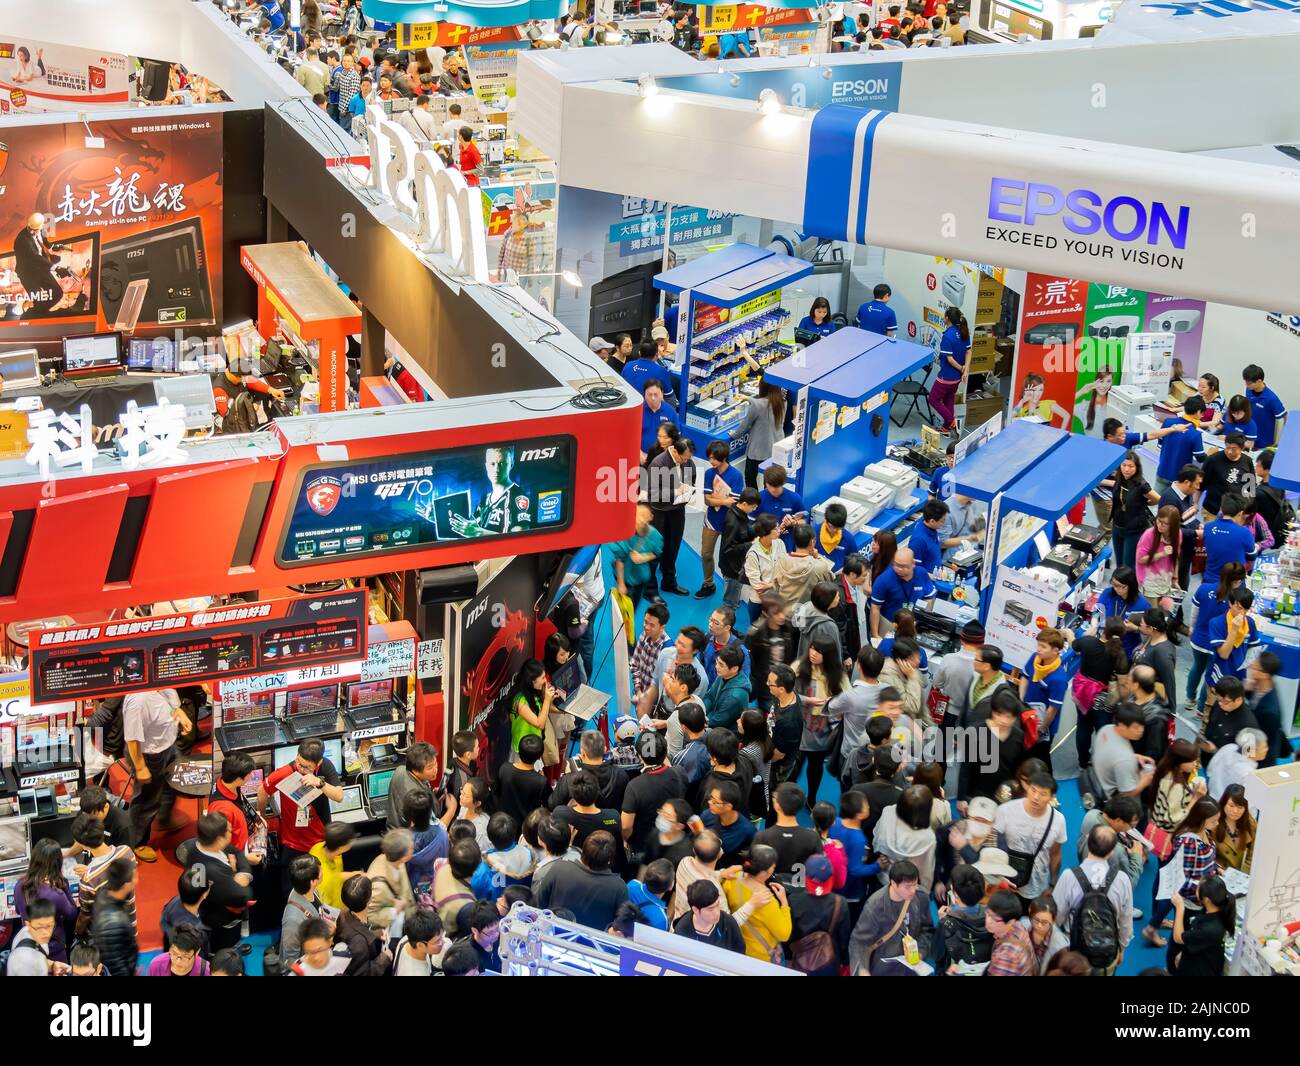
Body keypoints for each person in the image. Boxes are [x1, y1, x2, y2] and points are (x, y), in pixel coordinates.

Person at [260, 737, 344, 895]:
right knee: (290, 892)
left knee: (321, 890)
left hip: (320, 843)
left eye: (306, 767)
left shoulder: (325, 767)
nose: (300, 768)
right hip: (293, 845)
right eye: (298, 762)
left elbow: (339, 796)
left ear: (317, 764)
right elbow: (262, 791)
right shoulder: (286, 771)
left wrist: (320, 783)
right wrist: (263, 815)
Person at [1052, 825, 1133, 973]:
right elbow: (1126, 919)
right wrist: (1121, 947)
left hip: (1075, 949)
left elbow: (1056, 915)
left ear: (1087, 842)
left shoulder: (1069, 876)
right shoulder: (1122, 879)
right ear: (1112, 851)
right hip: (1107, 949)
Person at [123, 687, 190, 862]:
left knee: (172, 786)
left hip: (168, 746)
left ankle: (164, 819)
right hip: (148, 755)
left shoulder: (164, 686)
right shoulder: (137, 701)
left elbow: (171, 706)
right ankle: (137, 841)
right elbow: (132, 738)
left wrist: (180, 715)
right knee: (147, 800)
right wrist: (139, 767)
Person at [534, 830, 629, 931]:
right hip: (591, 945)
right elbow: (619, 927)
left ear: (583, 851)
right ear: (610, 859)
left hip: (553, 935)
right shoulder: (619, 887)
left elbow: (539, 904)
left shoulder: (559, 868)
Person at [849, 860, 931, 975]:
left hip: (911, 967)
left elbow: (928, 929)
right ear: (893, 883)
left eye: (915, 884)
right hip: (883, 969)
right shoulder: (876, 905)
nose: (913, 891)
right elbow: (859, 941)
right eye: (907, 887)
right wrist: (862, 969)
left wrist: (921, 951)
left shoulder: (921, 898)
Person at [995, 771, 1065, 902]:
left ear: (1051, 797)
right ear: (1027, 787)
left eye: (1043, 794)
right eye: (1033, 790)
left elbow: (1055, 854)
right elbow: (993, 844)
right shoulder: (1005, 810)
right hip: (1007, 883)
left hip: (1038, 887)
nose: (1036, 797)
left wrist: (1053, 883)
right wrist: (999, 878)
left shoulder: (1058, 820)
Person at [189, 812, 254, 952]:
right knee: (223, 952)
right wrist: (235, 872)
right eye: (229, 831)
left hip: (210, 910)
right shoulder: (213, 871)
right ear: (219, 839)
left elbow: (236, 852)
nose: (232, 833)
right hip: (219, 920)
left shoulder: (200, 846)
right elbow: (244, 894)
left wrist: (242, 873)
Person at [1187, 562, 1246, 712]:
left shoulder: (1204, 588)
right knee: (1210, 675)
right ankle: (1201, 709)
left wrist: (1192, 629)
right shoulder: (1236, 602)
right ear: (1236, 581)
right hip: (1218, 645)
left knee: (1196, 668)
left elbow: (1194, 613)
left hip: (1199, 639)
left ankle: (1189, 698)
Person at [643, 433, 696, 597]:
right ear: (674, 452)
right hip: (659, 513)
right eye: (684, 458)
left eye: (689, 458)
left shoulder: (688, 462)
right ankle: (649, 589)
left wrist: (688, 492)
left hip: (678, 511)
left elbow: (689, 481)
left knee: (673, 548)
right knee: (654, 550)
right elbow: (652, 494)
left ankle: (669, 582)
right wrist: (675, 492)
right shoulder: (658, 463)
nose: (686, 461)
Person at [722, 844, 792, 963]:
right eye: (773, 867)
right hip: (759, 956)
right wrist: (784, 903)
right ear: (766, 872)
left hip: (737, 946)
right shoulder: (766, 899)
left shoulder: (732, 877)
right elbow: (784, 934)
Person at [621, 732, 685, 860]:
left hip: (644, 847)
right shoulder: (679, 772)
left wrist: (625, 839)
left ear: (639, 756)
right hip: (673, 842)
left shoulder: (635, 786)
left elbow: (626, 826)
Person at [14, 839, 77, 964]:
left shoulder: (19, 886)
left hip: (29, 947)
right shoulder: (56, 894)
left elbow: (17, 910)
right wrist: (64, 886)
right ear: (58, 863)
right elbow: (72, 914)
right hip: (54, 950)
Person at [697, 440, 745, 598]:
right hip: (711, 520)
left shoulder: (736, 476)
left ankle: (730, 591)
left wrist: (716, 499)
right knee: (706, 553)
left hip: (730, 524)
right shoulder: (709, 473)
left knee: (728, 559)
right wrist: (723, 501)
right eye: (709, 457)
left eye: (714, 458)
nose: (711, 462)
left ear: (724, 457)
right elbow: (707, 500)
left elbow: (734, 503)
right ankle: (708, 583)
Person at [958, 694, 1025, 806]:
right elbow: (966, 767)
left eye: (1009, 717)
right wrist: (961, 797)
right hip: (975, 793)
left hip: (1004, 795)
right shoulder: (976, 731)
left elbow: (1017, 768)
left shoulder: (1018, 736)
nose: (1004, 721)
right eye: (1000, 715)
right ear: (993, 712)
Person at [930, 863, 995, 975]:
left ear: (955, 894)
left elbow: (936, 955)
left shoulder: (946, 924)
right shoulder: (993, 917)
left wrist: (941, 921)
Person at [874, 785, 939, 894]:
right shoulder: (927, 837)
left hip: (883, 874)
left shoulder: (888, 811)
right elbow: (925, 871)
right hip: (904, 886)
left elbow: (876, 837)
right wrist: (925, 892)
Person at [754, 782, 824, 877]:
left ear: (777, 805)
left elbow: (754, 870)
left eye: (775, 796)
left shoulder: (762, 837)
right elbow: (820, 870)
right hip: (801, 890)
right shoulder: (813, 838)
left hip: (771, 889)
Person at [549, 730, 629, 812]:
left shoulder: (569, 780)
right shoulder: (621, 775)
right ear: (605, 750)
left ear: (582, 752)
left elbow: (552, 805)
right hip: (611, 823)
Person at [1170, 875, 1234, 977]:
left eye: (1199, 886)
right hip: (1199, 957)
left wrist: (1180, 907)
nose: (1196, 887)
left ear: (1207, 899)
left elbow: (1178, 938)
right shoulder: (1216, 911)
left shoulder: (1210, 928)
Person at [868, 548, 935, 640]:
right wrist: (875, 635)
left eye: (903, 566)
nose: (899, 569)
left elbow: (928, 598)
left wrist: (922, 619)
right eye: (896, 565)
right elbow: (875, 608)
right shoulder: (884, 580)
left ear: (913, 564)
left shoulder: (922, 574)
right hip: (891, 627)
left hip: (914, 626)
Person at [335, 874, 392, 976]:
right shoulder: (359, 942)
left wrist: (374, 933)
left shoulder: (344, 912)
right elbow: (362, 974)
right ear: (368, 901)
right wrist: (384, 958)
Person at [365, 828, 416, 938]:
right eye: (411, 848)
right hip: (394, 928)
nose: (414, 848)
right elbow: (370, 916)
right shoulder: (378, 886)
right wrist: (394, 911)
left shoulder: (393, 859)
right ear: (403, 856)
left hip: (408, 916)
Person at [92, 858, 139, 977]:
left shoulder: (104, 893)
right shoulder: (112, 924)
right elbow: (115, 965)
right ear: (126, 885)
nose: (137, 880)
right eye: (135, 877)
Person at [673, 879, 747, 954]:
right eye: (710, 909)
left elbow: (740, 952)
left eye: (718, 904)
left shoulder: (728, 922)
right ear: (696, 910)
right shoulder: (682, 932)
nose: (717, 912)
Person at [494, 733, 551, 826]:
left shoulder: (504, 768)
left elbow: (495, 792)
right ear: (539, 757)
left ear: (519, 751)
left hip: (502, 822)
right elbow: (549, 805)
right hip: (525, 826)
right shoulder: (541, 781)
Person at [929, 306, 970, 433]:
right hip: (957, 377)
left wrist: (961, 368)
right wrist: (964, 369)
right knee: (948, 399)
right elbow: (968, 351)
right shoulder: (963, 331)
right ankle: (947, 427)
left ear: (947, 318)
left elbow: (949, 359)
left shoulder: (947, 336)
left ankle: (951, 421)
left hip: (946, 376)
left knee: (933, 399)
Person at [1095, 566, 1150, 660]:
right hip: (1105, 643)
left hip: (1126, 649)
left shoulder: (1143, 604)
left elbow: (1151, 631)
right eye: (1114, 584)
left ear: (1131, 585)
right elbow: (1098, 612)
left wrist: (1135, 628)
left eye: (1121, 586)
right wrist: (1094, 624)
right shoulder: (1107, 594)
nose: (1116, 589)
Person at [743, 514, 789, 626]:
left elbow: (786, 570)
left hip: (778, 597)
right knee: (755, 628)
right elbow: (758, 587)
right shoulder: (753, 554)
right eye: (776, 528)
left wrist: (768, 585)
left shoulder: (779, 543)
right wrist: (776, 583)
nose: (780, 529)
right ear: (765, 532)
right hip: (758, 601)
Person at [1246, 650, 1289, 767]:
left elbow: (1260, 740)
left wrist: (1245, 757)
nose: (1250, 667)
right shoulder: (1262, 685)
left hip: (1260, 758)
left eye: (1255, 668)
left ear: (1265, 674)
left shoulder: (1269, 711)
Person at [386, 740, 440, 832]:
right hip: (408, 841)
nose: (435, 769)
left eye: (435, 763)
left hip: (393, 832)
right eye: (430, 767)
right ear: (415, 770)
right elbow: (432, 831)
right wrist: (451, 809)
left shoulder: (400, 770)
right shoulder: (417, 798)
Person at [5, 898, 68, 976]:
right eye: (39, 927)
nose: (45, 933)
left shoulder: (26, 933)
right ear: (28, 924)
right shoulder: (24, 964)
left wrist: (52, 965)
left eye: (49, 926)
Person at [1200, 435, 1256, 519]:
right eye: (1227, 447)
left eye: (1234, 449)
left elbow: (1250, 488)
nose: (1229, 451)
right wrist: (1196, 504)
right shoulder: (1213, 460)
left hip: (1236, 513)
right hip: (1212, 509)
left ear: (1241, 448)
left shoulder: (1247, 461)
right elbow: (1200, 484)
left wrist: (1247, 508)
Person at [433, 839, 481, 937]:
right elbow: (469, 934)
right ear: (475, 868)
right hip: (450, 938)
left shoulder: (443, 869)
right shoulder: (466, 905)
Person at [1136, 505, 1182, 607]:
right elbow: (1140, 559)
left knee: (1164, 612)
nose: (1160, 525)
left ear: (1173, 525)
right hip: (1149, 581)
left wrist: (1175, 578)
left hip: (1166, 579)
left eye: (1165, 524)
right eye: (1159, 521)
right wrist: (1162, 554)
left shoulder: (1178, 534)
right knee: (1152, 615)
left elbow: (1175, 557)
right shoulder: (1148, 535)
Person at [983, 890, 1036, 976]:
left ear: (1011, 922)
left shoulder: (1005, 957)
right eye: (988, 914)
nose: (988, 921)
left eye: (995, 919)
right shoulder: (1018, 926)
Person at [1207, 728, 1269, 800]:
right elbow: (1249, 802)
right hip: (1226, 806)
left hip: (1211, 796)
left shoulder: (1228, 747)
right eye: (1264, 747)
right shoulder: (1248, 774)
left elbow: (1209, 771)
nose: (1267, 749)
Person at [757, 466, 808, 553]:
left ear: (783, 483)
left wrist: (793, 523)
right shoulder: (759, 498)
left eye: (776, 487)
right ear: (766, 483)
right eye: (770, 486)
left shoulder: (794, 498)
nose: (773, 489)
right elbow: (752, 523)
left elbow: (804, 522)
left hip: (787, 545)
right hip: (764, 544)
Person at [310, 821, 358, 912]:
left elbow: (335, 874)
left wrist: (353, 874)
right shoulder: (324, 880)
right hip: (338, 914)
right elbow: (326, 910)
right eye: (349, 841)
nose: (351, 842)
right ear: (341, 847)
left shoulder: (317, 847)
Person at [1214, 783, 1256, 873]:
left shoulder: (1250, 823)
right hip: (1220, 872)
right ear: (1224, 803)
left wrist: (1244, 874)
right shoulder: (1213, 821)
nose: (1235, 811)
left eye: (1240, 807)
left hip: (1241, 873)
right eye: (1231, 805)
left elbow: (1251, 854)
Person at [1025, 896, 1070, 976]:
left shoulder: (1060, 947)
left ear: (1053, 920)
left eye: (1044, 922)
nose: (1039, 925)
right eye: (1036, 920)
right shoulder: (1023, 926)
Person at [392, 909, 446, 976]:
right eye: (437, 941)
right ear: (420, 945)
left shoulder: (406, 939)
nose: (443, 942)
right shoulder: (414, 973)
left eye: (442, 937)